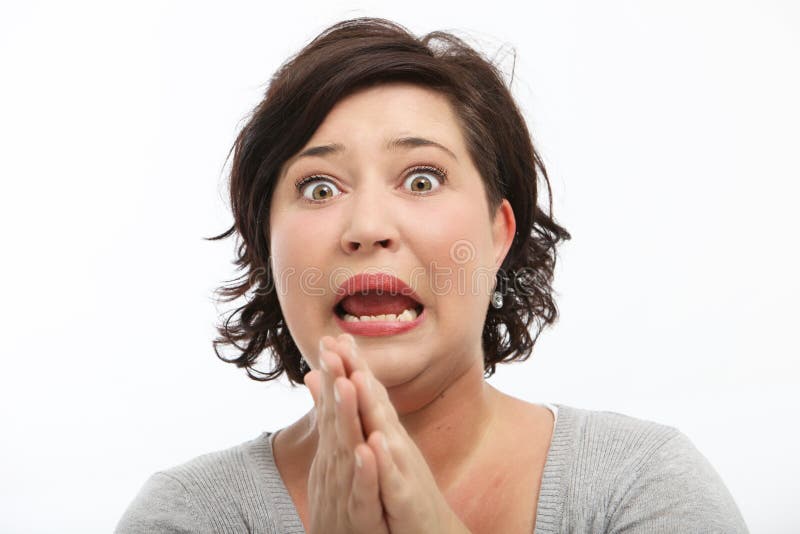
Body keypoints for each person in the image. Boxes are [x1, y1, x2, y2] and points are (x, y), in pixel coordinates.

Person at [115, 17, 748, 534]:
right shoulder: (186, 517)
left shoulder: (643, 486)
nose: (367, 225)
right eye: (317, 186)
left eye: (422, 178)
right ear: (268, 246)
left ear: (499, 233)